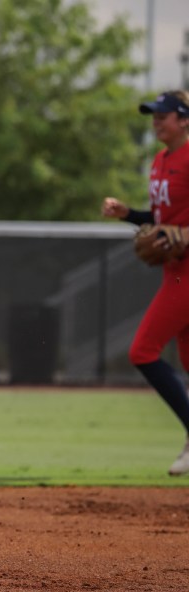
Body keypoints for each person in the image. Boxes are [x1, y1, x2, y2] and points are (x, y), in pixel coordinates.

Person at [101, 90, 189, 476]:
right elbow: (160, 217)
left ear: (184, 119)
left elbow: (179, 229)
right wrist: (128, 214)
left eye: (163, 115)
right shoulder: (160, 160)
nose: (156, 121)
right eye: (153, 115)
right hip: (175, 269)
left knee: (143, 351)